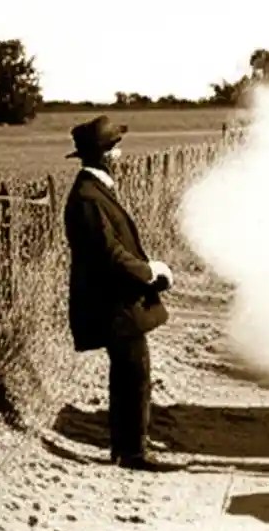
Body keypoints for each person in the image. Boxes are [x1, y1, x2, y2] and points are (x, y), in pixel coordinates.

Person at [61, 115, 183, 472]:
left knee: (132, 372)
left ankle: (127, 448)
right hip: (113, 303)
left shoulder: (95, 191)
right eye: (117, 148)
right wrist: (150, 273)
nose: (123, 155)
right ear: (106, 155)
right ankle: (131, 453)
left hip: (117, 299)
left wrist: (149, 272)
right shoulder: (88, 197)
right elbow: (110, 255)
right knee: (133, 373)